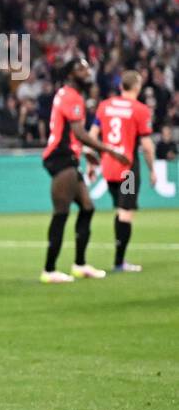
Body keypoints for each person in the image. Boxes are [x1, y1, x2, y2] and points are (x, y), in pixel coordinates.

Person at [39, 57, 131, 283]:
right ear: (71, 74)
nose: (87, 72)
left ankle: (80, 265)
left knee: (87, 208)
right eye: (81, 68)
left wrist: (87, 153)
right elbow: (79, 134)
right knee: (61, 214)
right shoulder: (72, 97)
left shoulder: (66, 94)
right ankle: (49, 270)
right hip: (61, 158)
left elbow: (73, 136)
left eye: (87, 67)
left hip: (67, 156)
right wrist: (109, 150)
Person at [89, 69, 156, 272]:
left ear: (120, 86)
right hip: (127, 169)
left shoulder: (104, 106)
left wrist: (92, 163)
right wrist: (152, 169)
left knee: (120, 210)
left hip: (108, 167)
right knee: (126, 213)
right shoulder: (140, 110)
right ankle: (119, 262)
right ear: (137, 87)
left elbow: (92, 135)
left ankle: (119, 258)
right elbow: (146, 146)